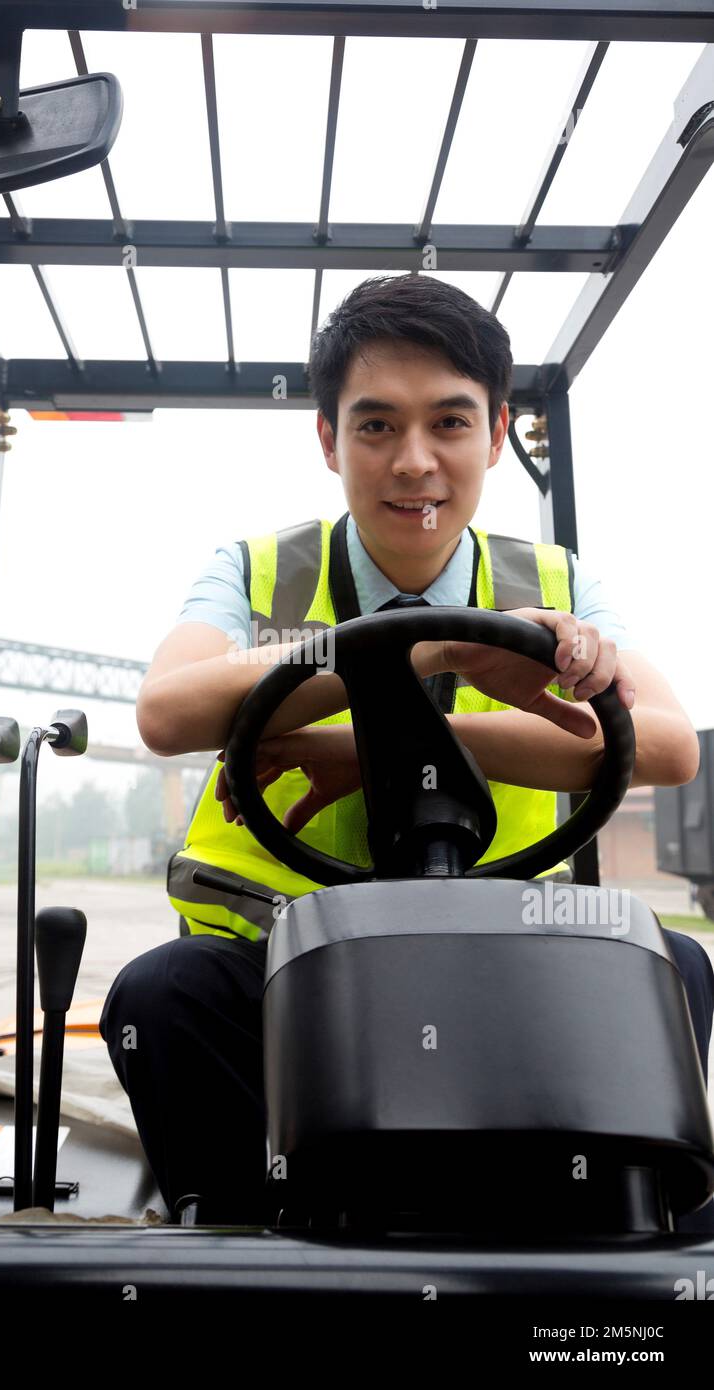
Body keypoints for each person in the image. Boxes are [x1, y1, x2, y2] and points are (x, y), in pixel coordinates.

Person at [99, 272, 712, 1230]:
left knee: (668, 964)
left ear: (498, 433)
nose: (414, 462)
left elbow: (668, 746)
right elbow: (169, 712)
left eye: (451, 424)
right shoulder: (259, 570)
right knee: (160, 992)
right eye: (377, 425)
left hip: (495, 963)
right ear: (329, 438)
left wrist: (407, 739)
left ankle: (611, 1244)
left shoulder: (555, 583)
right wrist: (432, 644)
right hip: (280, 960)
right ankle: (241, 1244)